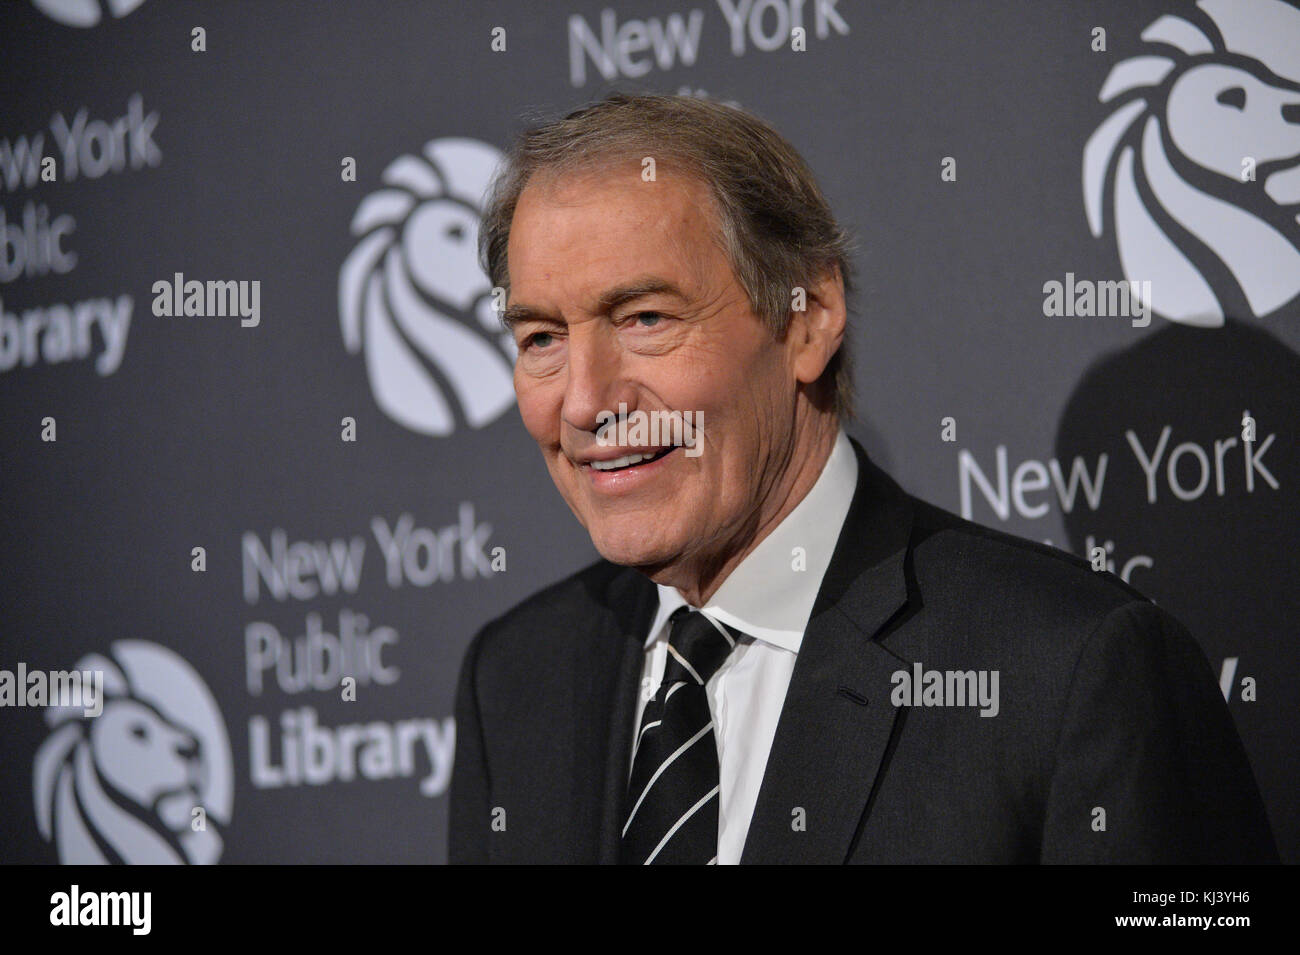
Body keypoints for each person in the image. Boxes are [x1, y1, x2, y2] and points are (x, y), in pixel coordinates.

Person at [447, 92, 1277, 864]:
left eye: (645, 318)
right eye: (541, 338)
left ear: (808, 319)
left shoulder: (1067, 671)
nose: (586, 401)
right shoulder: (517, 679)